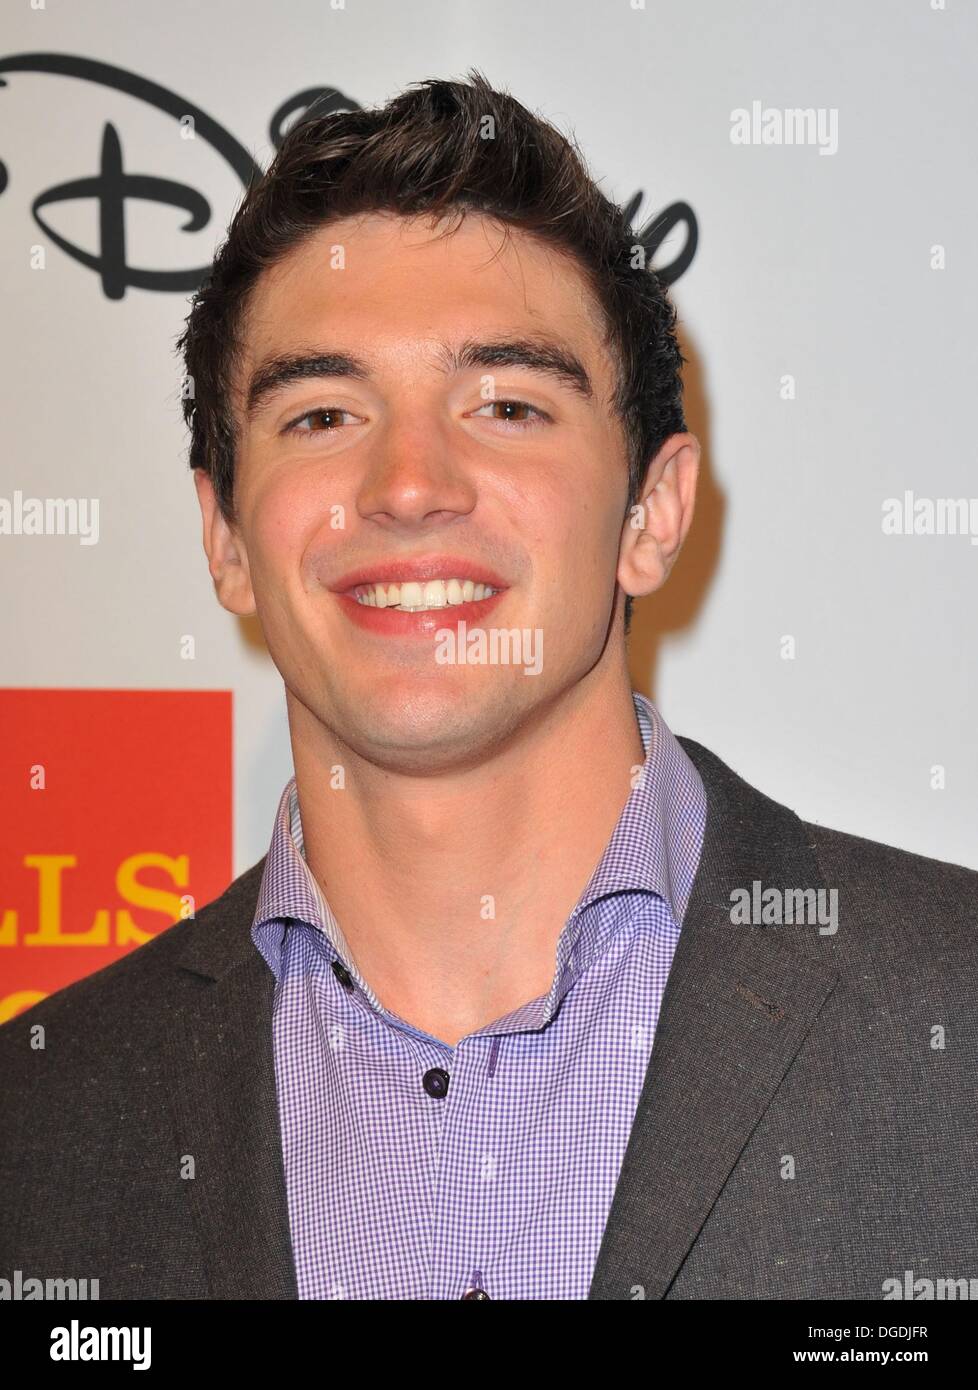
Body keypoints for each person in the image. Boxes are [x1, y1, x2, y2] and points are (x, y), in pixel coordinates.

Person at [2, 71, 976, 1302]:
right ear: (226, 540)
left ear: (652, 512)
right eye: (321, 414)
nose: (411, 483)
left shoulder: (957, 1016)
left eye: (508, 404)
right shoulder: (33, 1124)